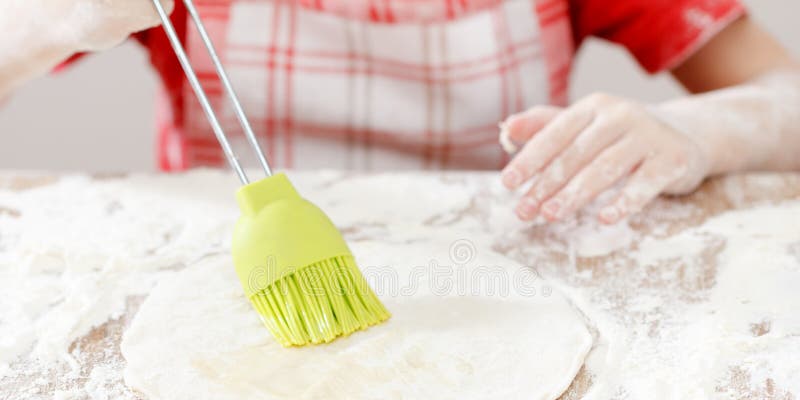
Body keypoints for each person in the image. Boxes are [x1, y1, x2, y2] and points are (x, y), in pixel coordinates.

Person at [1, 0, 798, 224]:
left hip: (498, 270)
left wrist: (697, 131)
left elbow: (786, 95)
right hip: (228, 269)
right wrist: (37, 23)